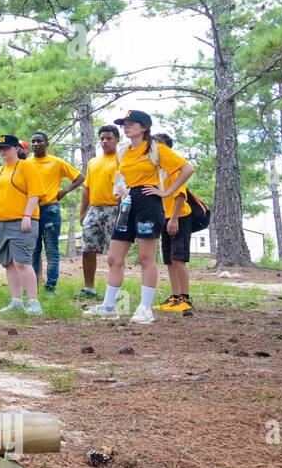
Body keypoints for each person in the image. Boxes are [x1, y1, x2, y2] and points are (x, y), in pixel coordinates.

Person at [85, 111, 195, 325]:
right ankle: (108, 306)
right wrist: (121, 189)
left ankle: (145, 309)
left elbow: (187, 168)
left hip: (148, 203)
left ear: (144, 127)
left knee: (146, 257)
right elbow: (121, 176)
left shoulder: (156, 148)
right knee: (113, 258)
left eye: (131, 124)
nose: (126, 127)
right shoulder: (124, 151)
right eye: (124, 124)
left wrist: (165, 192)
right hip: (127, 204)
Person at [0, 135, 44, 314]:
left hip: (21, 222)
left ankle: (34, 302)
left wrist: (27, 215)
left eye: (7, 147)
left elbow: (35, 193)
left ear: (16, 148)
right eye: (0, 148)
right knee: (8, 263)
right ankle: (15, 300)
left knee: (22, 262)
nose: (3, 151)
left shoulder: (27, 166)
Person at [28, 131, 85, 295]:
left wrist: (64, 191)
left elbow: (80, 177)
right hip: (31, 211)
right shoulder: (26, 163)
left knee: (52, 249)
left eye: (39, 141)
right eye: (33, 141)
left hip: (50, 209)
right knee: (33, 250)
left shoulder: (56, 162)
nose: (36, 144)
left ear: (47, 144)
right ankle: (33, 287)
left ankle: (50, 287)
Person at [152, 133, 195, 316]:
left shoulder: (176, 167)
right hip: (165, 218)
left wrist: (175, 218)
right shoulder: (158, 170)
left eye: (159, 145)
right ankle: (175, 297)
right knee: (169, 260)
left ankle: (185, 299)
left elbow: (180, 195)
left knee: (179, 259)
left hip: (179, 218)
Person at [78, 125, 122, 299]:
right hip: (94, 210)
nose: (105, 141)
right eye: (102, 138)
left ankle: (115, 290)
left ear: (117, 139)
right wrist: (83, 213)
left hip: (114, 209)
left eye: (109, 138)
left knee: (115, 251)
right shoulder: (93, 162)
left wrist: (122, 211)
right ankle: (89, 288)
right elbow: (86, 189)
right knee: (88, 249)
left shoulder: (122, 160)